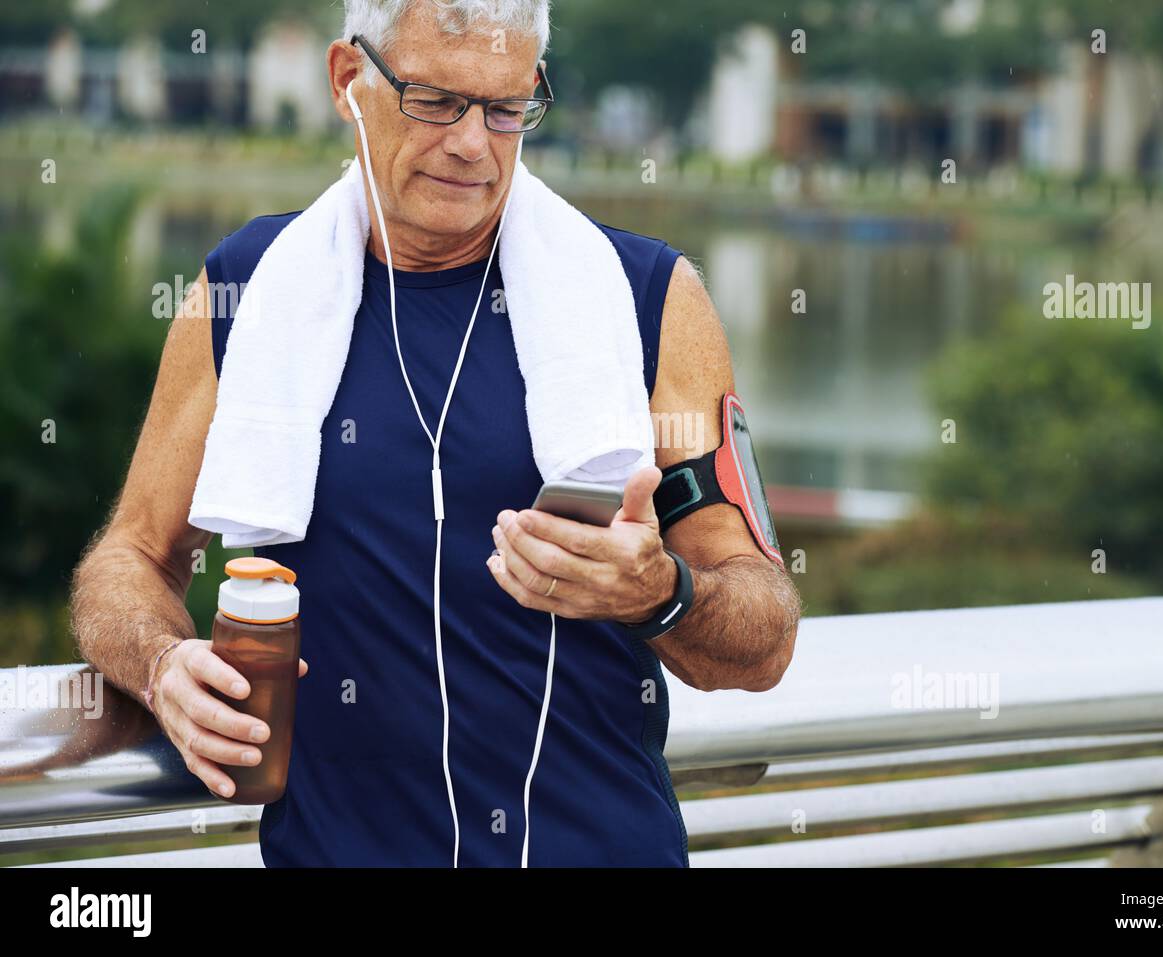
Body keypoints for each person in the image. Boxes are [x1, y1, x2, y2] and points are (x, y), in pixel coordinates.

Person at [71, 0, 801, 867]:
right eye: (435, 101)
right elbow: (129, 560)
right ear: (349, 81)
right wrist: (162, 667)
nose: (472, 144)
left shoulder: (645, 298)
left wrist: (658, 592)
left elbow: (764, 637)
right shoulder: (249, 290)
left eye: (505, 109)